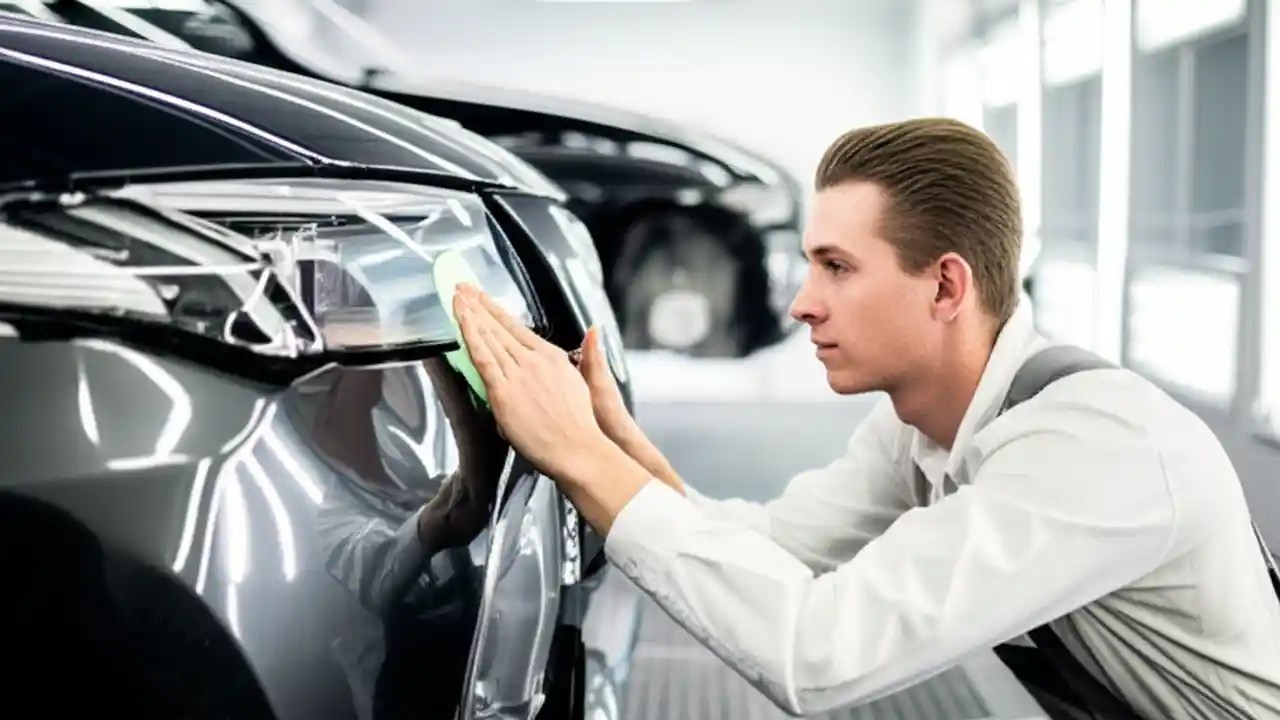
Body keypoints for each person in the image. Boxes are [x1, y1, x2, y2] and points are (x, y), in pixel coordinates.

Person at [451, 117, 1280, 719]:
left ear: (946, 287)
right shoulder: (924, 426)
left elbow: (817, 654)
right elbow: (768, 550)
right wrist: (613, 446)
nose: (803, 305)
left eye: (838, 268)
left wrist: (581, 459)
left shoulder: (1095, 448)